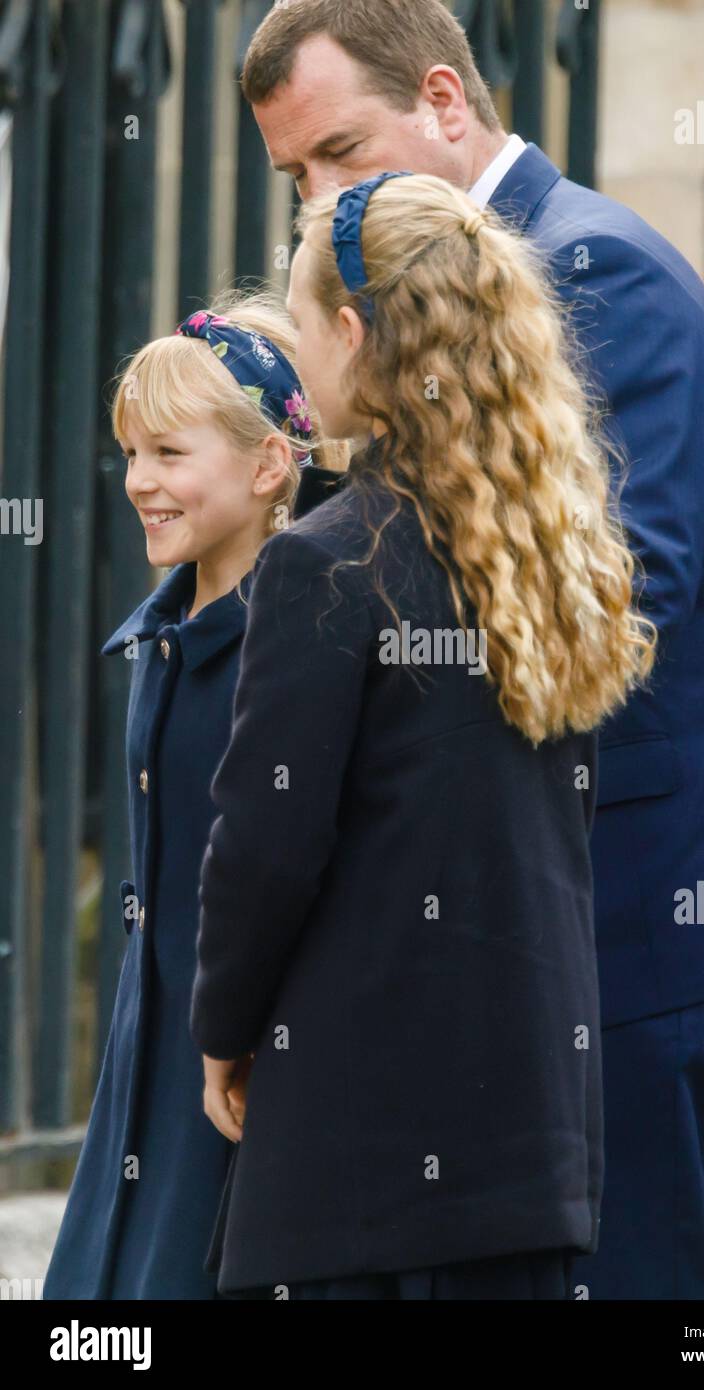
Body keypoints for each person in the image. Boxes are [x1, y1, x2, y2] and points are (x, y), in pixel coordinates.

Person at [237, 0, 704, 1299]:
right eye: (298, 176)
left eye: (344, 155)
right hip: (564, 910)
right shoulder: (449, 295)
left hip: (645, 898)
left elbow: (611, 601)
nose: (319, 202)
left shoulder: (588, 269)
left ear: (447, 104)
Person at [189, 172, 656, 1300]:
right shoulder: (549, 549)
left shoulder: (324, 558)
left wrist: (224, 1029)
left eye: (299, 324)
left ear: (352, 335)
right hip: (528, 1133)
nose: (295, 350)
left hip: (362, 1151)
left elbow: (265, 846)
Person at [42, 291, 345, 1299]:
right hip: (145, 1063)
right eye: (130, 454)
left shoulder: (288, 643)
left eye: (169, 454)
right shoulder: (163, 630)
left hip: (238, 1075)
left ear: (268, 467)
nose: (138, 482)